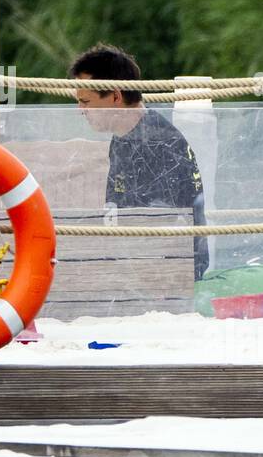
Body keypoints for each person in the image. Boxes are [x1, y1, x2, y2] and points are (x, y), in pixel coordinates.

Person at [69, 42, 209, 279]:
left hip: (170, 270)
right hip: (137, 259)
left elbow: (167, 228)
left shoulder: (160, 142)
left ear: (115, 96)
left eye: (86, 102)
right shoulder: (122, 137)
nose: (80, 110)